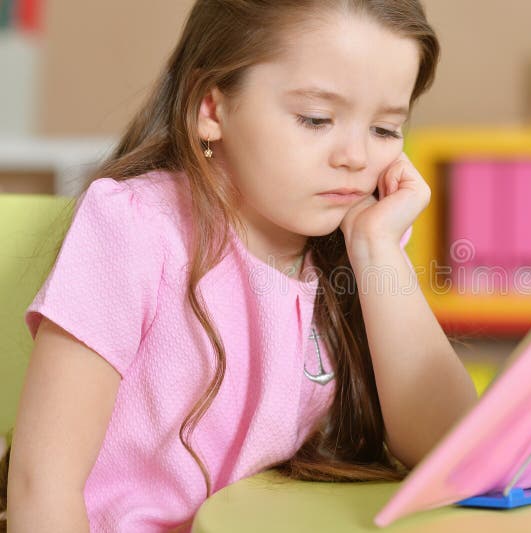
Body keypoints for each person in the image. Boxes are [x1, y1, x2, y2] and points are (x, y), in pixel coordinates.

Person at [1, 1, 478, 531]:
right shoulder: (133, 228)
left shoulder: (355, 239)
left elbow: (450, 451)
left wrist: (376, 249)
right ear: (212, 108)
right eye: (316, 119)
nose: (356, 156)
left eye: (386, 130)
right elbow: (41, 483)